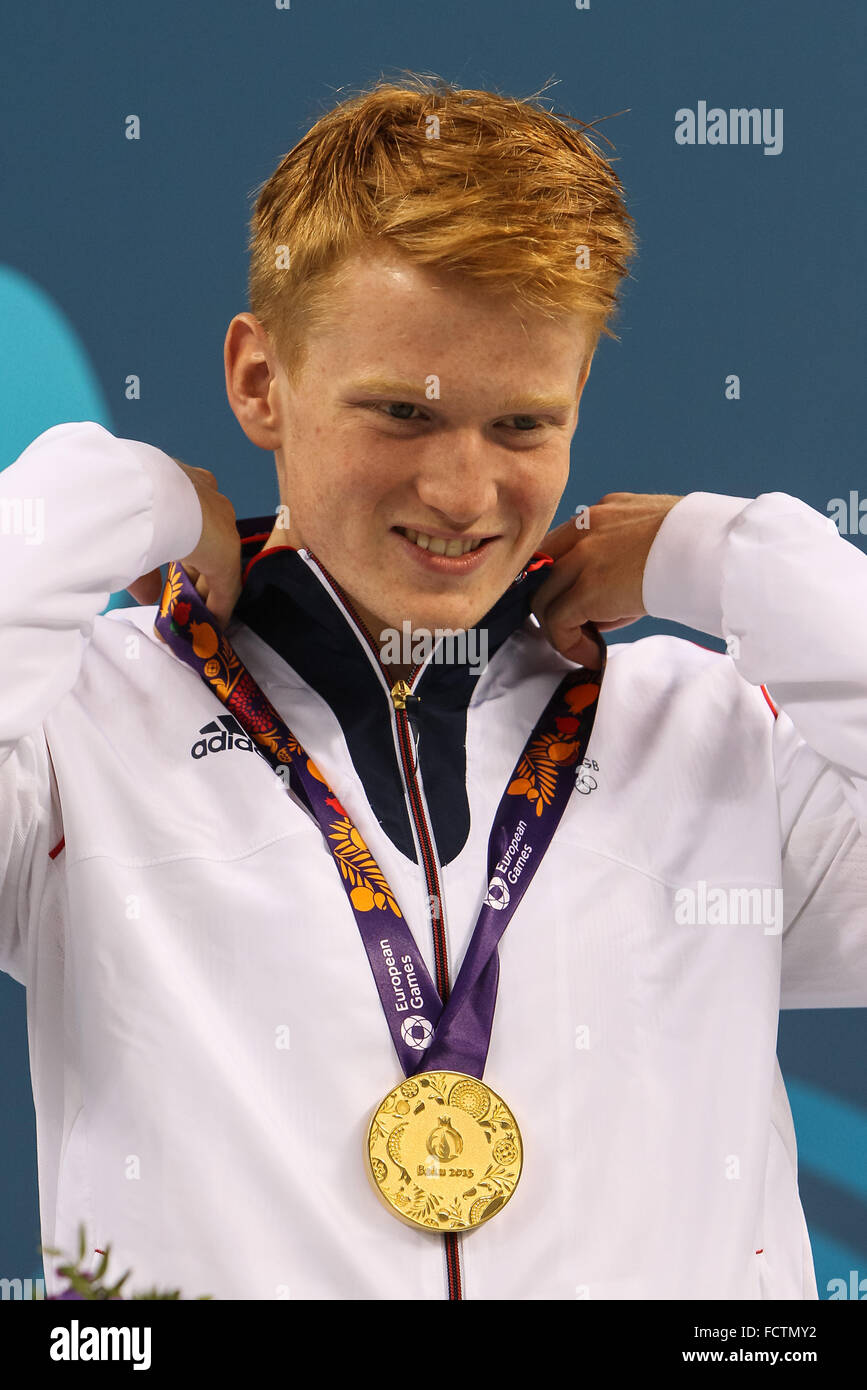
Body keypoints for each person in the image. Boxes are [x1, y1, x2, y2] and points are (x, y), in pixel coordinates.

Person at [1, 74, 865, 1303]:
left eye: (522, 425)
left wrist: (722, 556)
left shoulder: (721, 738)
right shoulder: (74, 735)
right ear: (260, 382)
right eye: (403, 412)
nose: (464, 492)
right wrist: (131, 492)